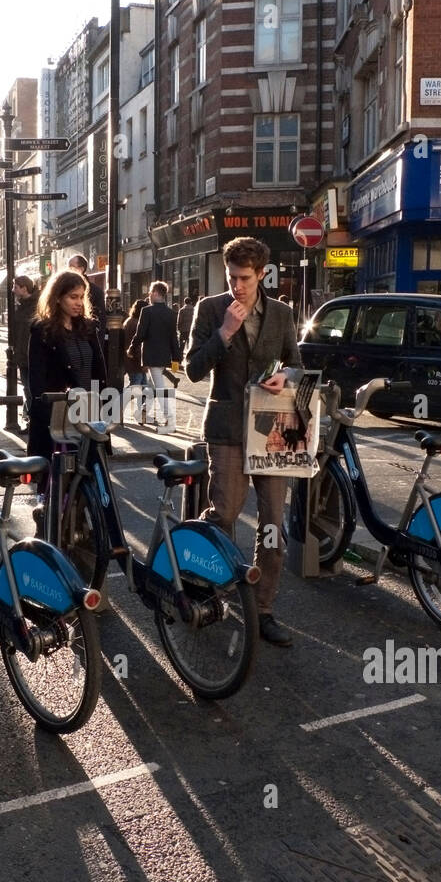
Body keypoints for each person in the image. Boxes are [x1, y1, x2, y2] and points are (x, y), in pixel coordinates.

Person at [186, 236, 301, 648]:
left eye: (246, 278)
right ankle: (206, 584)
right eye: (232, 277)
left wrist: (286, 377)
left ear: (262, 274)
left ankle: (263, 610)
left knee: (273, 525)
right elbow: (193, 369)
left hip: (273, 431)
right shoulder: (211, 309)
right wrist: (225, 333)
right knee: (225, 515)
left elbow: (297, 364)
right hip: (228, 430)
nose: (238, 285)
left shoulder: (283, 313)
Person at [26, 269, 106, 490]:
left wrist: (103, 403)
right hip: (58, 414)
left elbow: (99, 372)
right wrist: (44, 411)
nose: (79, 302)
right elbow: (37, 380)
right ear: (58, 297)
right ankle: (49, 516)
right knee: (56, 479)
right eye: (73, 297)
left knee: (88, 477)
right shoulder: (43, 330)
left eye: (81, 297)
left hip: (87, 411)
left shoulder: (88, 327)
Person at [128, 280, 181, 428]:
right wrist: (176, 358)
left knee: (159, 387)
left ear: (156, 293)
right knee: (152, 386)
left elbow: (140, 334)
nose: (149, 295)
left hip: (151, 356)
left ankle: (170, 419)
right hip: (164, 357)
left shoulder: (147, 311)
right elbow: (173, 338)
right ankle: (144, 411)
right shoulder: (171, 314)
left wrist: (132, 349)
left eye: (150, 292)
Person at [7, 275, 37, 434]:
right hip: (23, 357)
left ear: (24, 288)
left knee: (33, 391)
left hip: (33, 357)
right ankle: (32, 421)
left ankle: (35, 423)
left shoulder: (36, 306)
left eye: (15, 287)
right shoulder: (22, 305)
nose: (13, 290)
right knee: (28, 390)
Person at [121, 298, 150, 425]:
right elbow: (137, 346)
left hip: (131, 359)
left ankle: (141, 414)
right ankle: (116, 408)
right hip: (135, 361)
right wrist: (143, 363)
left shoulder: (130, 321)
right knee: (135, 387)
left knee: (143, 388)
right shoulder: (137, 324)